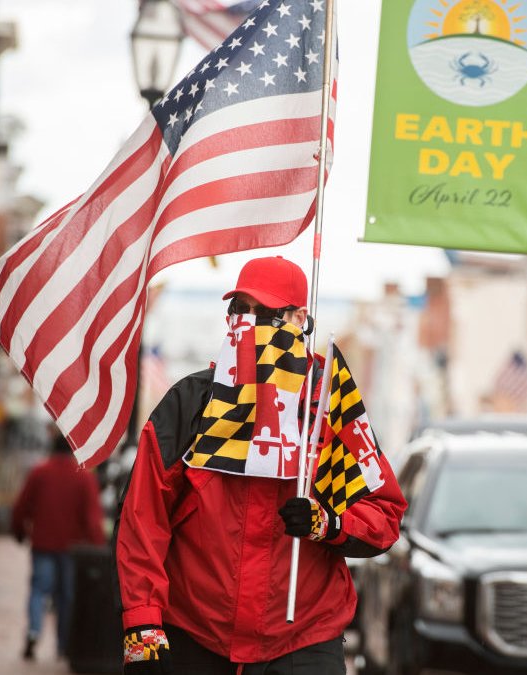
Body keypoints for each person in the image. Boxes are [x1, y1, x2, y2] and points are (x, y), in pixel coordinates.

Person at [115, 256, 407, 674]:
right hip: (196, 635)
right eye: (240, 310)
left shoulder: (328, 404)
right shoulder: (193, 401)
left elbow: (384, 511)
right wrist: (142, 623)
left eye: (266, 313)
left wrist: (329, 523)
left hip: (302, 639)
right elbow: (144, 518)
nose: (250, 324)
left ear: (298, 319)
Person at [12, 430, 106, 661]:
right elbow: (92, 518)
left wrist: (19, 531)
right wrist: (99, 548)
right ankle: (64, 645)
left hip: (43, 543)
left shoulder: (39, 472)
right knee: (66, 596)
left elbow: (21, 505)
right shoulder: (85, 477)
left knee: (38, 590)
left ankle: (34, 632)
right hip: (72, 550)